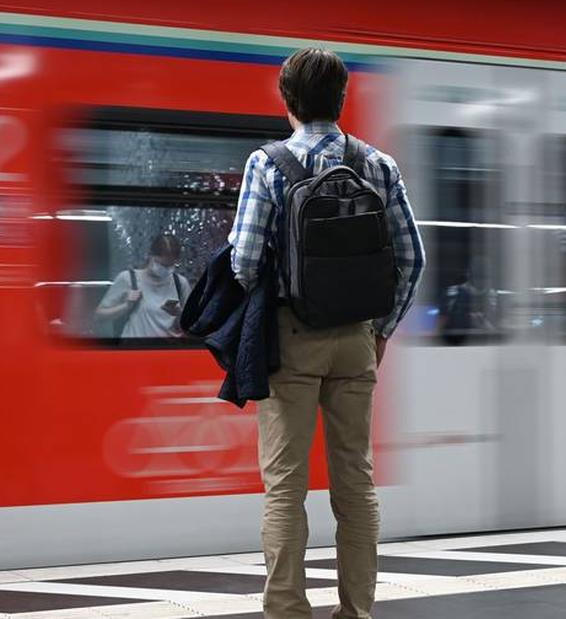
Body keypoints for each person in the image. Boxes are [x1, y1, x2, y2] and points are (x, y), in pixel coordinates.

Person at [228, 47, 424, 619]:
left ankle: (288, 608)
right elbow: (413, 259)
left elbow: (243, 261)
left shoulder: (267, 164)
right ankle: (356, 610)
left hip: (291, 339)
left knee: (285, 486)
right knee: (355, 482)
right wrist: (380, 332)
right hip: (356, 342)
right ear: (341, 100)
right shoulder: (378, 166)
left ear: (287, 101)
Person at [95, 234, 190, 339]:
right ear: (150, 256)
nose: (165, 269)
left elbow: (194, 323)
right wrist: (126, 305)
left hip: (167, 350)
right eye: (161, 264)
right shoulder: (128, 279)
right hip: (133, 349)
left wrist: (180, 313)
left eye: (170, 265)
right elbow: (99, 316)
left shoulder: (180, 283)